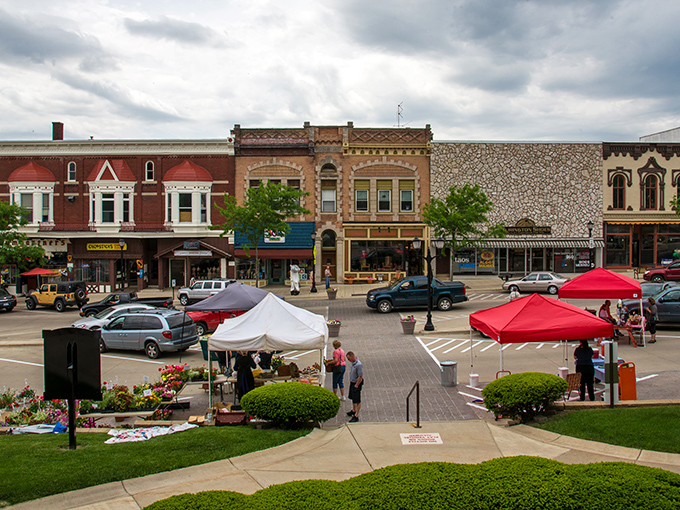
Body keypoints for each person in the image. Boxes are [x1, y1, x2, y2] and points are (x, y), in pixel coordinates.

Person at [346, 351, 363, 422]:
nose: (348, 360)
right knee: (352, 397)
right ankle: (353, 410)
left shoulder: (358, 365)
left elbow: (360, 376)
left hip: (356, 383)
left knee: (357, 399)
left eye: (349, 359)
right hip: (352, 382)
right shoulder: (352, 363)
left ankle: (356, 415)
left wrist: (356, 386)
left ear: (352, 357)